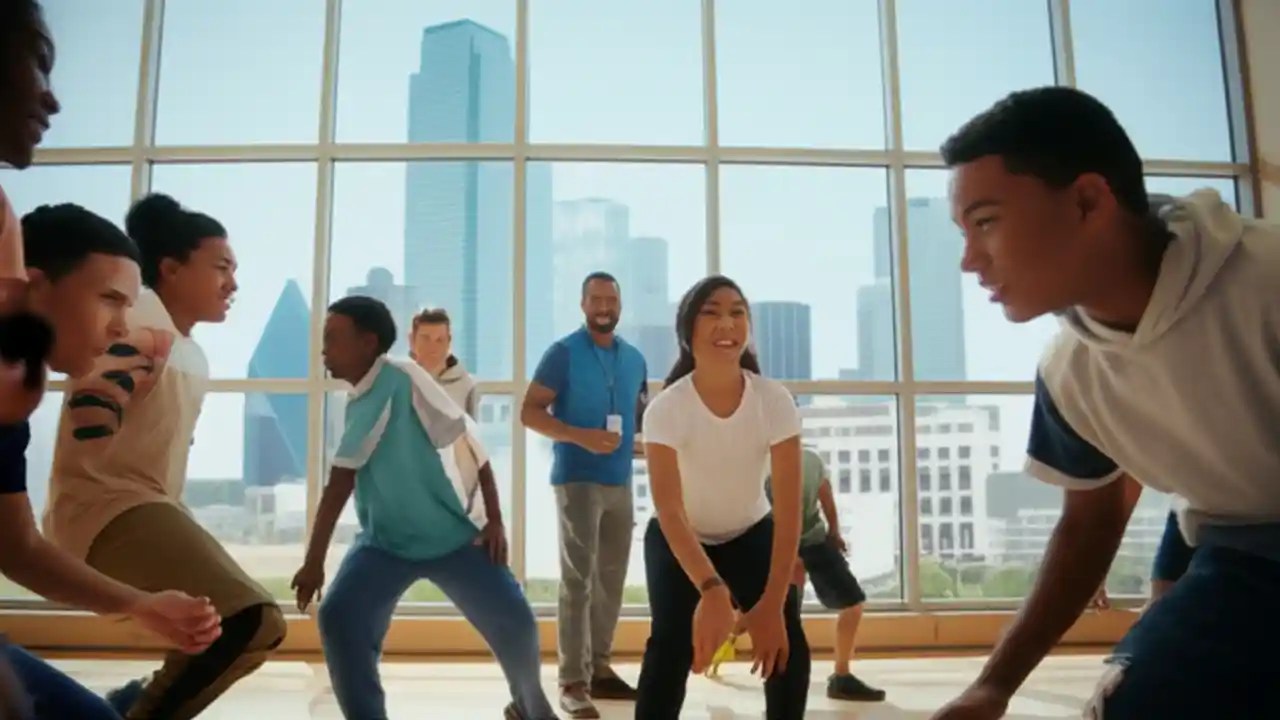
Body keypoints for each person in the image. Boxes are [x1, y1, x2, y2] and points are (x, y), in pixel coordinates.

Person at [930, 86, 1280, 719]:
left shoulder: (1267, 282)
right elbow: (1089, 523)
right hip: (1242, 558)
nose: (968, 260)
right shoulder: (1070, 373)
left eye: (985, 222)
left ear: (1088, 201)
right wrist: (993, 685)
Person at [43, 194, 286, 720]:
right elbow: (106, 380)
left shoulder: (185, 346)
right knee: (248, 621)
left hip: (145, 506)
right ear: (171, 269)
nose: (234, 284)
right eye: (220, 267)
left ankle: (127, 705)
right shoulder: (144, 319)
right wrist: (100, 404)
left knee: (240, 628)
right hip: (110, 510)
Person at [0, 205, 223, 720]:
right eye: (109, 300)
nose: (123, 327)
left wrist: (139, 604)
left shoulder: (9, 412)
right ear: (34, 288)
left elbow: (18, 548)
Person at [292, 295, 555, 720]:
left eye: (332, 339)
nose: (323, 350)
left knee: (517, 623)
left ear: (367, 342)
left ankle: (531, 710)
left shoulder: (402, 377)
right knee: (340, 616)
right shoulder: (358, 399)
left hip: (451, 539)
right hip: (383, 545)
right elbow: (344, 479)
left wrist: (495, 521)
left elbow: (471, 442)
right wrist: (315, 563)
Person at [637, 274, 810, 720]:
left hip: (752, 532)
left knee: (786, 644)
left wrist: (771, 603)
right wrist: (711, 590)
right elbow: (670, 511)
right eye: (711, 313)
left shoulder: (773, 400)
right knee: (670, 648)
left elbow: (789, 510)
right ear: (688, 330)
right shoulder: (666, 409)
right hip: (681, 539)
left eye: (737, 312)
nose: (726, 323)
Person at [521, 271, 647, 717]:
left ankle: (601, 669)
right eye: (595, 298)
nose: (604, 306)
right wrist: (579, 436)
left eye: (611, 298)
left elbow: (638, 417)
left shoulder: (634, 359)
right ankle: (572, 680)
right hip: (577, 478)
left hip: (621, 480)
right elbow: (529, 412)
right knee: (578, 581)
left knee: (611, 580)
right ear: (582, 304)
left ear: (619, 304)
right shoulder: (562, 354)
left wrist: (645, 446)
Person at [766, 446, 884, 702]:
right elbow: (757, 515)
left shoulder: (810, 459)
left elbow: (825, 494)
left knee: (852, 604)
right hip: (775, 543)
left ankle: (842, 677)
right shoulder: (759, 466)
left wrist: (834, 531)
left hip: (815, 539)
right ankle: (783, 686)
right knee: (785, 616)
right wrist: (787, 555)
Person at [409, 307, 477, 417]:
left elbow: (474, 431)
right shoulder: (398, 381)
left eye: (439, 340)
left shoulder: (466, 385)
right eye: (426, 339)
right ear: (412, 340)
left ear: (449, 341)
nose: (433, 347)